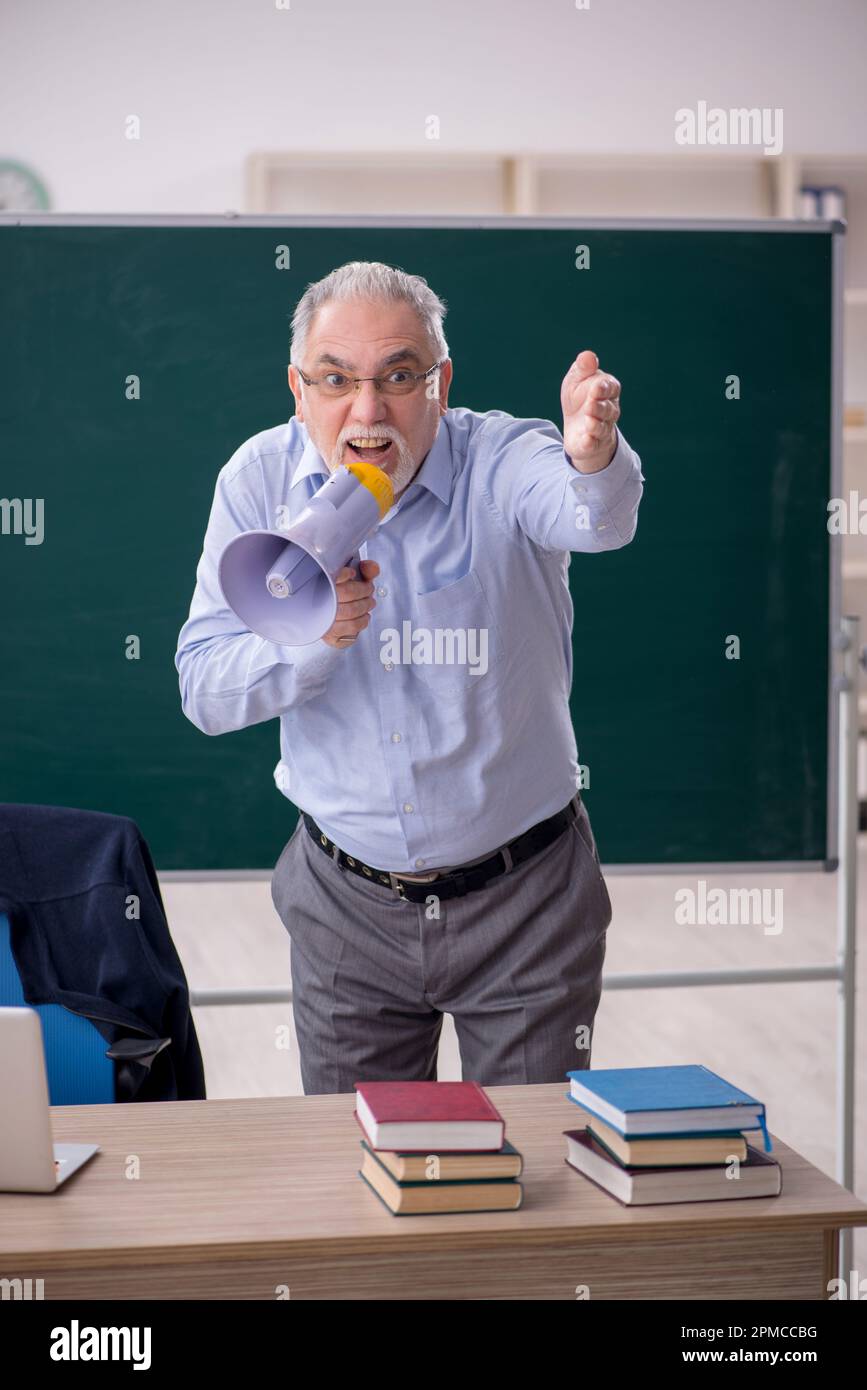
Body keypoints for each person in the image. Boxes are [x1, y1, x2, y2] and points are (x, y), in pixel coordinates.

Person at [175, 260, 644, 1095]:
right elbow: (204, 689)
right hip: (343, 904)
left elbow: (594, 518)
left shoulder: (503, 458)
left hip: (527, 897)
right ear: (297, 387)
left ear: (441, 381)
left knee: (528, 1167)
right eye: (334, 379)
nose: (366, 410)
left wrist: (592, 453)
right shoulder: (256, 479)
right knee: (359, 1179)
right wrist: (309, 641)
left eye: (398, 376)